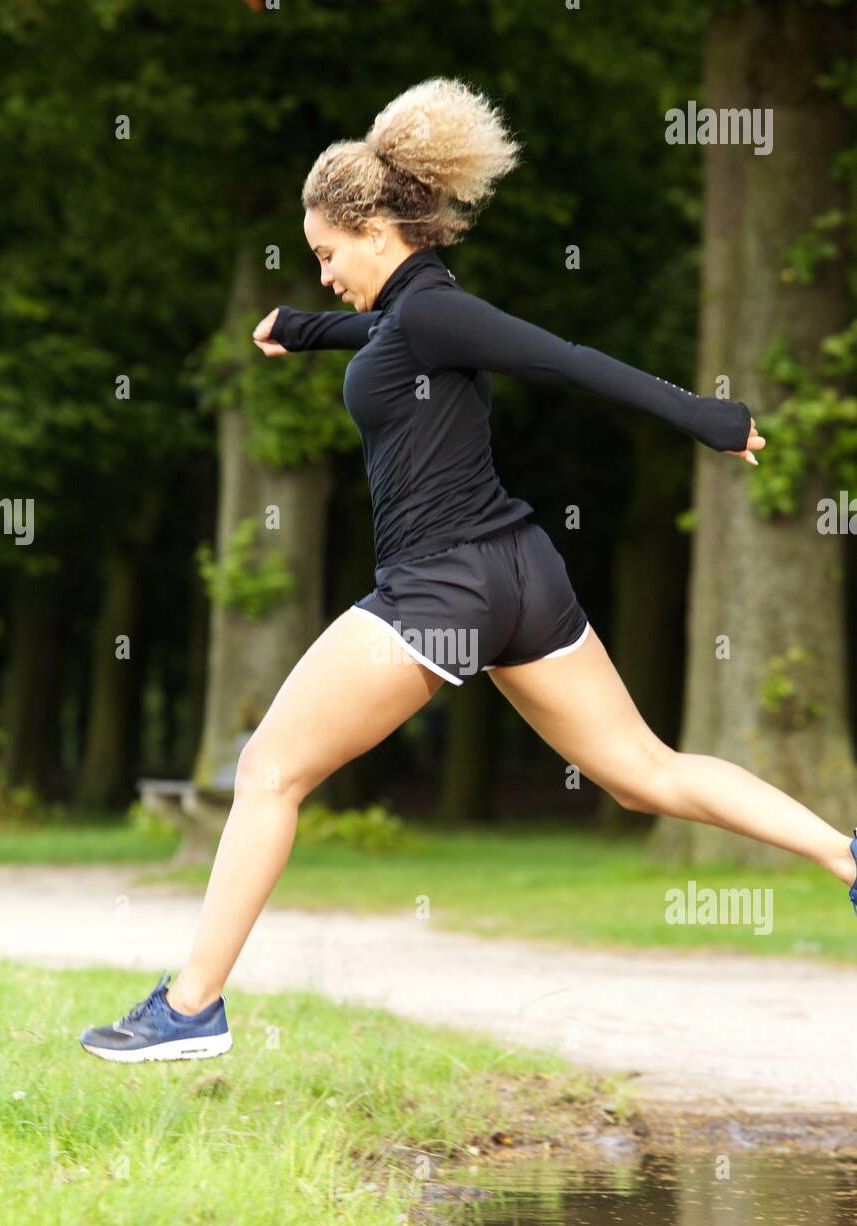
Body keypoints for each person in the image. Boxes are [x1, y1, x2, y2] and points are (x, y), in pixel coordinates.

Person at [80, 76, 857, 1064]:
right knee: (643, 771)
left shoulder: (437, 314)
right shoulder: (411, 314)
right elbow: (380, 334)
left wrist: (707, 419)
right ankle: (846, 854)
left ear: (372, 229)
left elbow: (567, 360)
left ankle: (190, 1009)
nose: (323, 274)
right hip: (521, 577)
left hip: (443, 585)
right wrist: (304, 326)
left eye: (325, 256)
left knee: (271, 770)